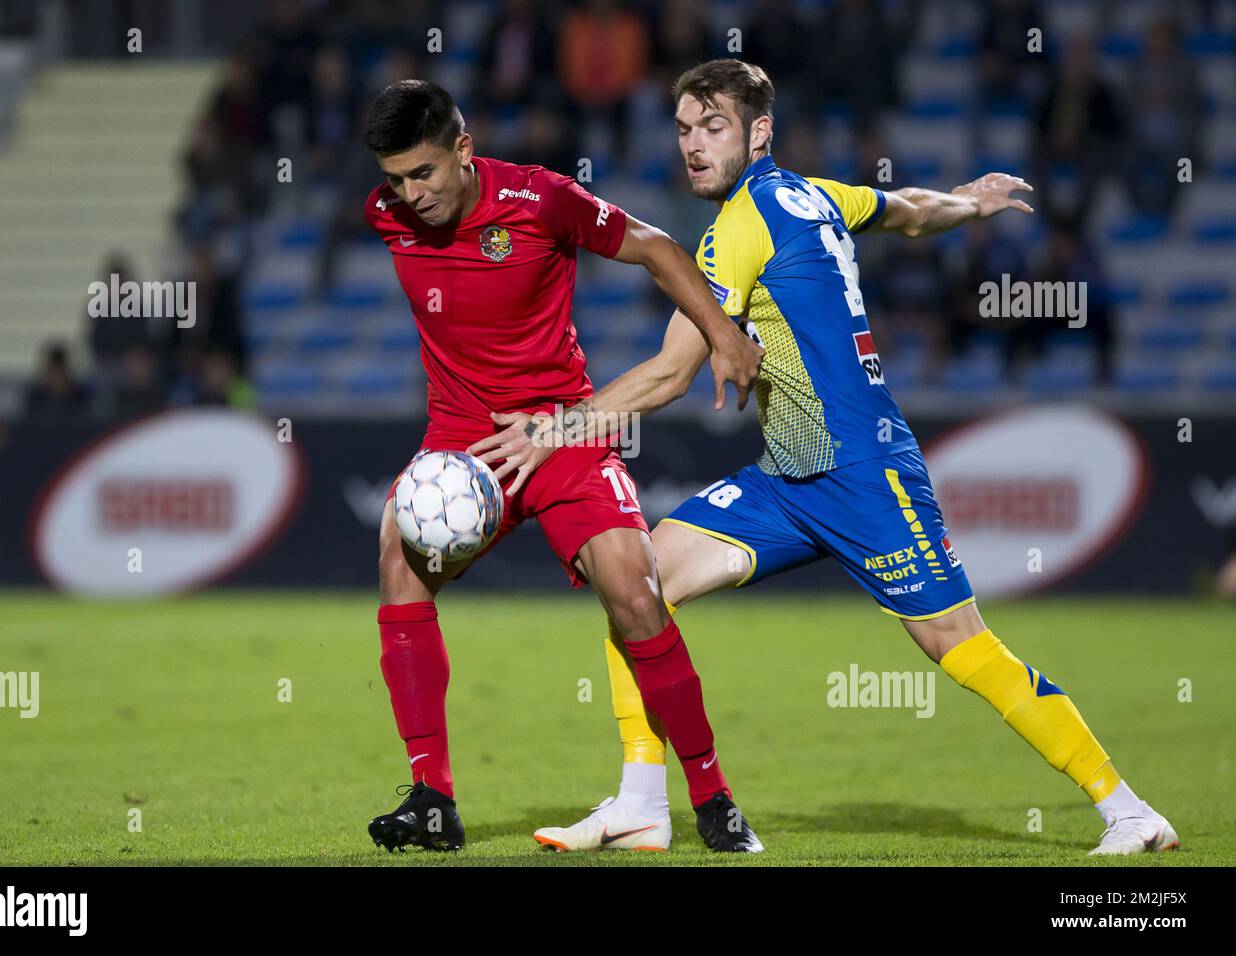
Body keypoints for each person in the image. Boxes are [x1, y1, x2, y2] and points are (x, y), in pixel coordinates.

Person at [475, 60, 1178, 857]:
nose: (694, 147)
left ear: (758, 131)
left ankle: (1128, 809)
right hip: (788, 478)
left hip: (864, 474)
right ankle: (642, 802)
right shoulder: (815, 194)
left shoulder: (738, 226)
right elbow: (910, 211)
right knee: (636, 585)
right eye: (682, 130)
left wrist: (554, 430)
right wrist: (969, 203)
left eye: (713, 128)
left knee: (961, 645)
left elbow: (672, 372)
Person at [360, 79, 765, 853]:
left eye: (424, 174)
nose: (410, 195)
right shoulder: (385, 217)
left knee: (636, 595)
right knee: (397, 564)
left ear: (464, 150)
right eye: (395, 180)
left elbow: (657, 248)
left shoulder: (541, 200)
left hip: (561, 431)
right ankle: (431, 796)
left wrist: (721, 332)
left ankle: (712, 796)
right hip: (462, 439)